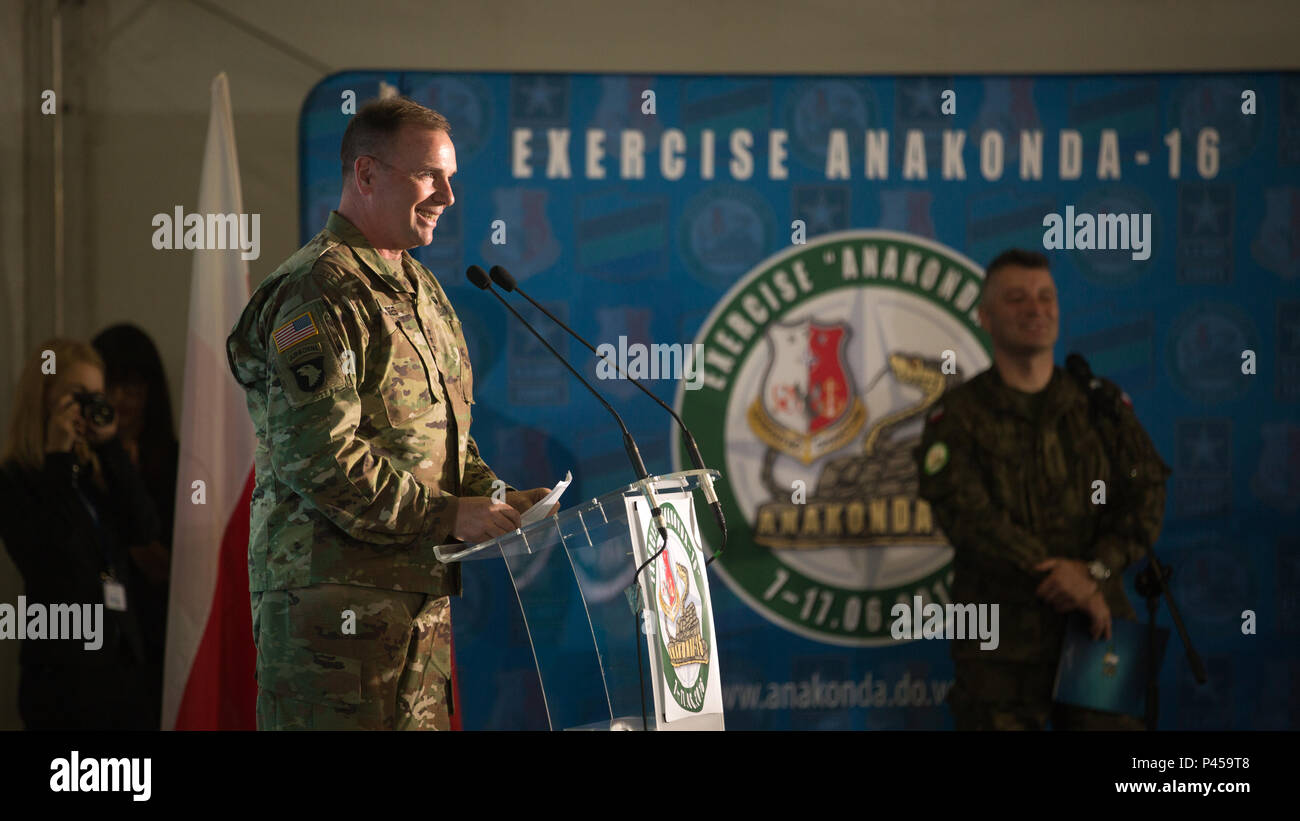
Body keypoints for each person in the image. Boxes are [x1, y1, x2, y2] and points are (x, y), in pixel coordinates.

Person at [226, 96, 551, 730]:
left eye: (451, 176)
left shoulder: (420, 288)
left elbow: (441, 441)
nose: (448, 196)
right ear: (367, 174)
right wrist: (450, 514)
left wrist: (501, 501)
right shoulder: (316, 290)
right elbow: (319, 456)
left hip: (414, 602)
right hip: (332, 611)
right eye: (431, 175)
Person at [914, 248, 1171, 731]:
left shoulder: (1101, 404)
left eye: (1045, 297)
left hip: (1101, 627)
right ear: (985, 317)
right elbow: (968, 517)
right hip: (999, 646)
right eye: (1017, 299)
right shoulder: (959, 418)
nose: (1036, 309)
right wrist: (1067, 580)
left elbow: (1145, 498)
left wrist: (1092, 572)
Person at [0, 338, 165, 729]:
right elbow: (51, 563)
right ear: (43, 400)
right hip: (63, 681)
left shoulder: (88, 474)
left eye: (97, 396)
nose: (90, 407)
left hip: (121, 668)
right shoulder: (15, 480)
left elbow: (144, 528)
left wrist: (109, 447)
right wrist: (57, 456)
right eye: (78, 396)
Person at [92, 323, 177, 667]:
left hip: (155, 632)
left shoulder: (176, 464)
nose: (118, 398)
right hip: (88, 632)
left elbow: (165, 567)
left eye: (132, 386)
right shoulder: (73, 459)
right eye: (109, 385)